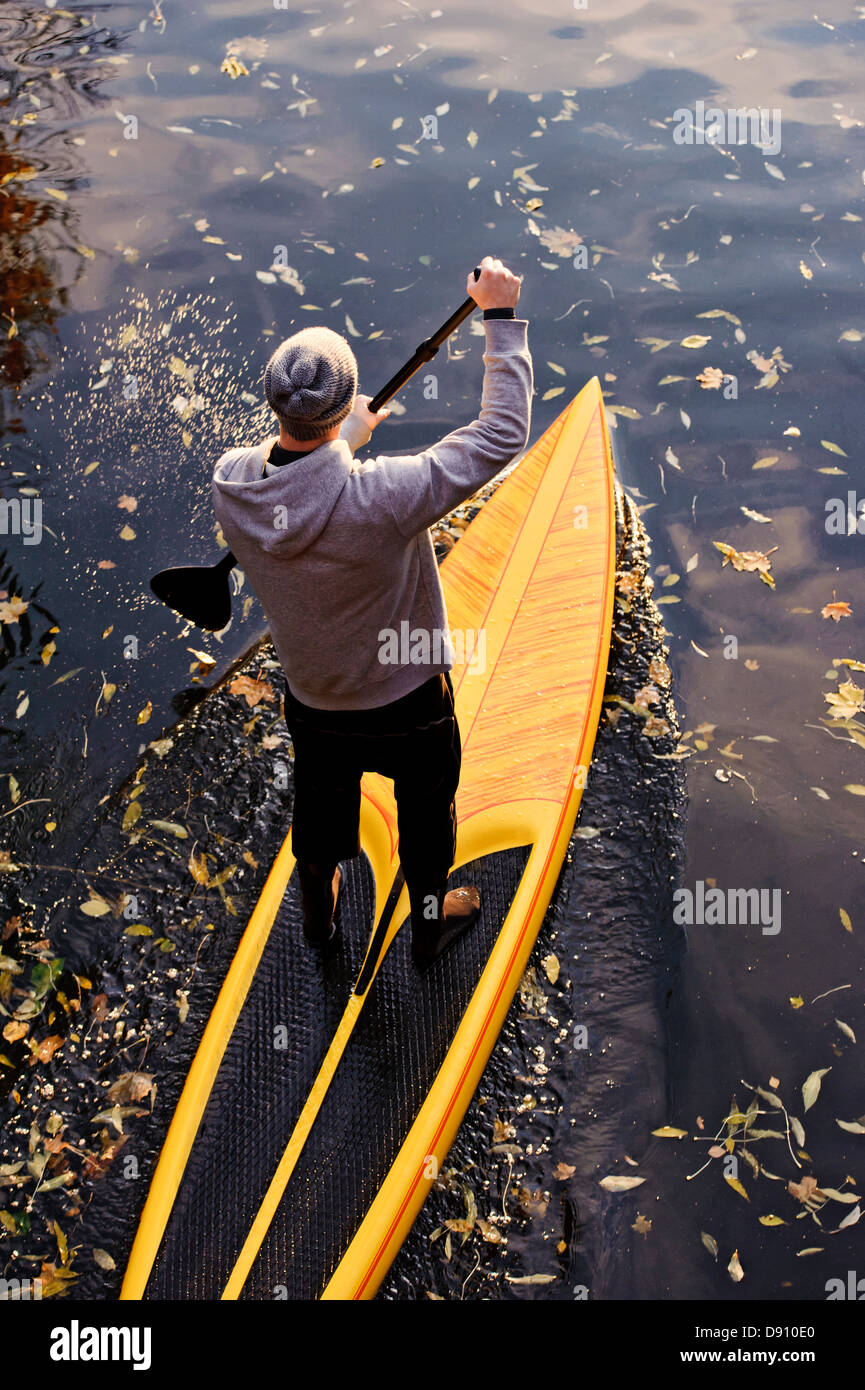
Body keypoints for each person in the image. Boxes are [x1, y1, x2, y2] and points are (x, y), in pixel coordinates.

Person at [212, 256, 532, 965]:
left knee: (320, 820)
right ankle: (426, 927)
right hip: (407, 702)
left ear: (275, 406)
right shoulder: (385, 497)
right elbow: (501, 435)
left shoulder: (233, 485)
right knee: (425, 824)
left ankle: (319, 927)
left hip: (314, 703)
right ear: (344, 404)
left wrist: (340, 443)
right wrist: (500, 318)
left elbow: (293, 476)